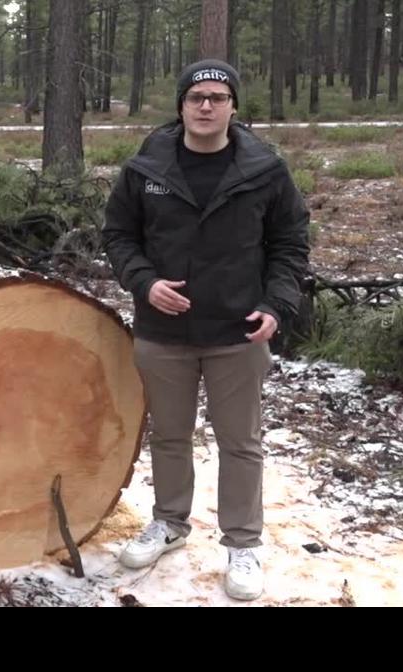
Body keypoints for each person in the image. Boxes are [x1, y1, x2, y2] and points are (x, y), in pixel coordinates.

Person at [101, 59, 311, 601]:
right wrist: (144, 283)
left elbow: (290, 245)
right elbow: (119, 237)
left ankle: (243, 543)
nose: (206, 106)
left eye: (218, 97)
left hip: (237, 331)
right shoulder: (145, 169)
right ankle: (169, 523)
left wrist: (276, 304)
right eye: (197, 97)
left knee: (240, 442)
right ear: (182, 105)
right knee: (169, 436)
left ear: (234, 106)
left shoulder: (265, 170)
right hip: (162, 330)